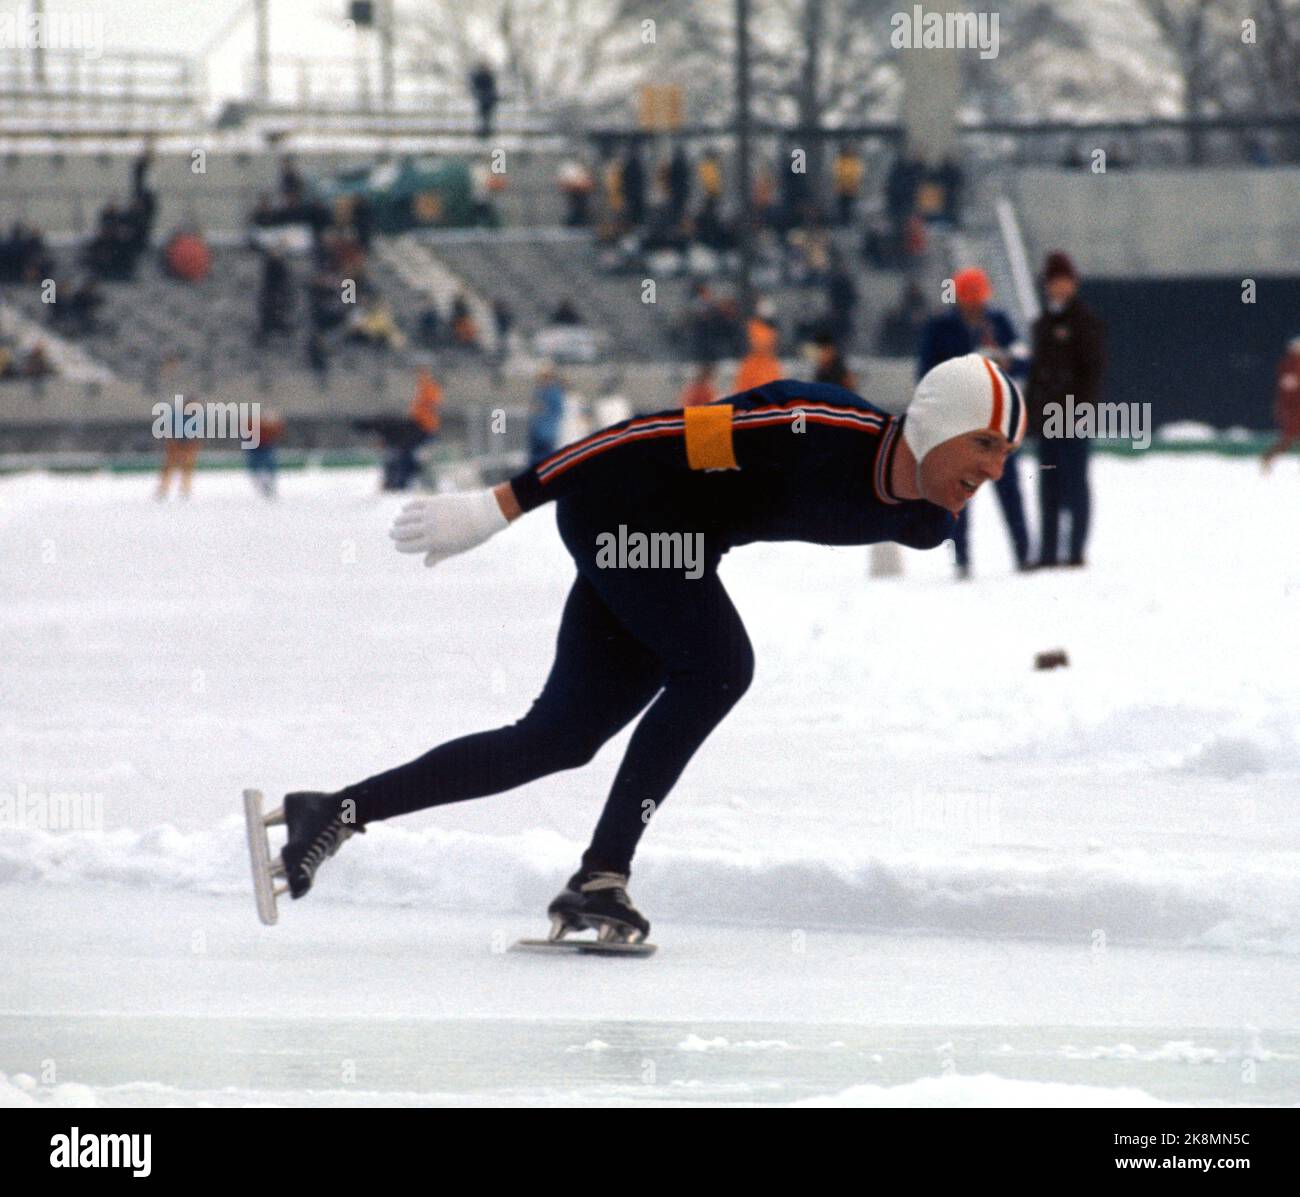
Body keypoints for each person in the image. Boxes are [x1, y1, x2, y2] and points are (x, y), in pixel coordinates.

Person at [268, 353, 1025, 942]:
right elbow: (638, 435)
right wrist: (502, 503)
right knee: (721, 667)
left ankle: (331, 810)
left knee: (557, 738)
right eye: (984, 443)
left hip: (679, 545)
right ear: (934, 423)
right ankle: (603, 874)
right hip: (618, 509)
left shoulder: (924, 518)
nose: (995, 468)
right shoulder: (807, 423)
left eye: (1007, 453)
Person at [918, 266, 1030, 577]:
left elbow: (1023, 358)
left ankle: (1024, 554)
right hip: (961, 427)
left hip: (997, 426)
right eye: (970, 299)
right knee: (958, 498)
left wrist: (1007, 361)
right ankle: (961, 560)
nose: (975, 306)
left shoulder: (1000, 322)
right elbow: (927, 373)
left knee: (1011, 492)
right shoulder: (940, 328)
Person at [1025, 251, 1105, 568]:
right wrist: (1032, 414)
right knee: (1049, 486)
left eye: (1063, 282)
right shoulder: (1043, 323)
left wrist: (1081, 411)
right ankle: (1048, 551)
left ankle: (1075, 551)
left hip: (1073, 418)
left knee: (1076, 484)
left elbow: (1092, 371)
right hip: (1047, 419)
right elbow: (1037, 372)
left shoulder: (1086, 321)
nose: (1058, 288)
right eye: (1053, 282)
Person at [1262, 337, 1300, 472]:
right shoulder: (1289, 365)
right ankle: (1267, 458)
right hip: (1291, 408)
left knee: (1288, 439)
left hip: (1291, 407)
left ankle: (1267, 458)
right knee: (1288, 438)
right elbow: (1288, 388)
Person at [529, 362, 565, 463]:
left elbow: (558, 412)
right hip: (536, 433)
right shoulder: (538, 392)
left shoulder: (554, 393)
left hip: (547, 435)